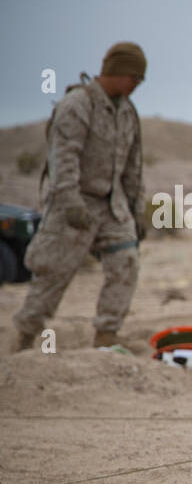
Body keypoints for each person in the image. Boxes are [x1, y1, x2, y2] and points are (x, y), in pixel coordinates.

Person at [11, 42, 148, 352]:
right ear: (117, 71)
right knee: (53, 272)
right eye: (134, 78)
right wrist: (70, 203)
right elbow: (64, 158)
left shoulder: (127, 111)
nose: (136, 86)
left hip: (112, 205)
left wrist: (137, 209)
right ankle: (23, 337)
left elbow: (133, 165)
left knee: (126, 260)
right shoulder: (77, 105)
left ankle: (107, 333)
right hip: (72, 204)